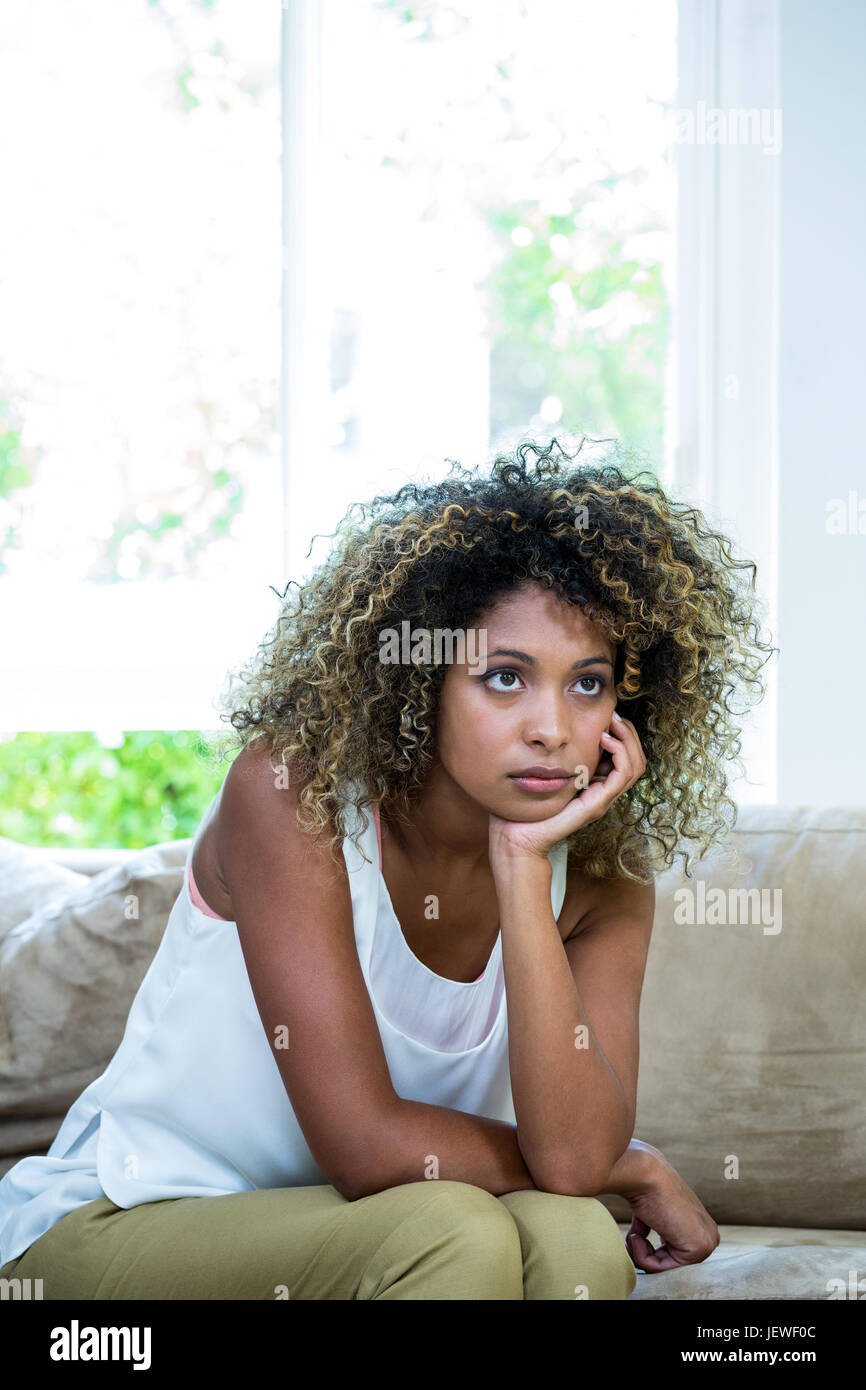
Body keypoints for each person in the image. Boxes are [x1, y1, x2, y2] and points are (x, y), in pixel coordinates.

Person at [0, 436, 773, 1299]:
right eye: (505, 678)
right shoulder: (294, 794)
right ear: (418, 684)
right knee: (452, 1232)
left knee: (574, 1239)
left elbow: (568, 1161)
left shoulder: (604, 880)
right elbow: (366, 1148)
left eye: (587, 685)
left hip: (369, 1228)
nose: (552, 727)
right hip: (123, 1221)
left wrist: (522, 867)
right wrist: (633, 1168)